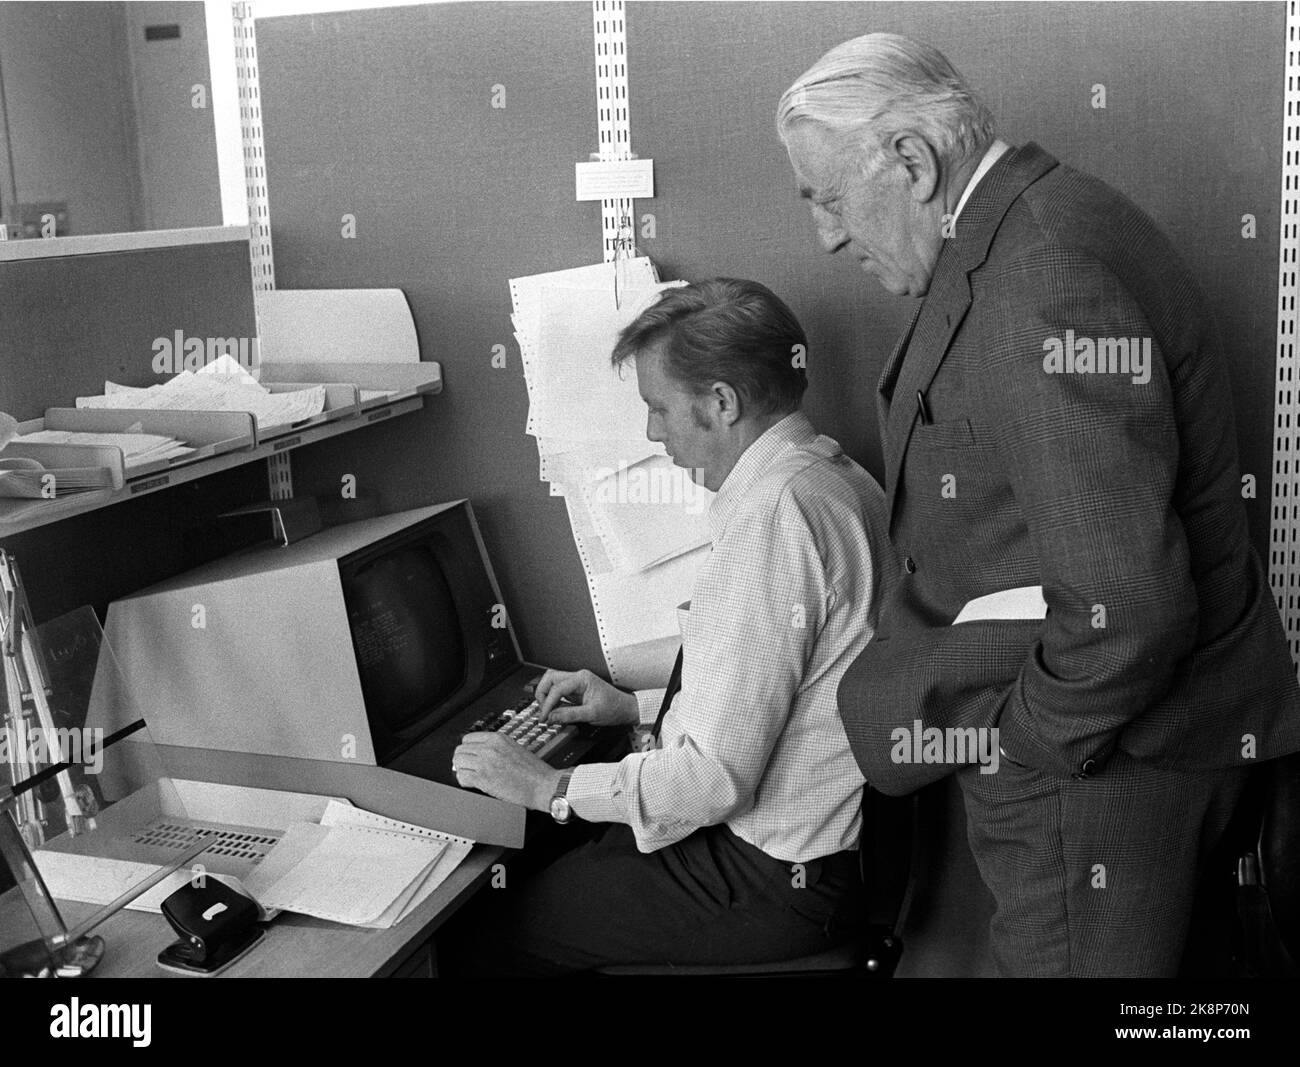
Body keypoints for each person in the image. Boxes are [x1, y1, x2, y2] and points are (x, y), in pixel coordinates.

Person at [777, 31, 1300, 978]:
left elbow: (1129, 605)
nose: (826, 233)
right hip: (1147, 755)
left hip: (1110, 776)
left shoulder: (1039, 276)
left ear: (910, 160)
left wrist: (1025, 748)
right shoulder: (1039, 227)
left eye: (827, 196)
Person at [446, 278, 888, 975]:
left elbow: (714, 780)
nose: (653, 433)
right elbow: (789, 704)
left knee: (489, 929)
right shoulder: (835, 478)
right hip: (824, 856)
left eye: (658, 408)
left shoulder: (773, 521)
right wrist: (635, 708)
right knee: (576, 859)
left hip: (771, 874)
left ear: (720, 403)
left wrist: (549, 789)